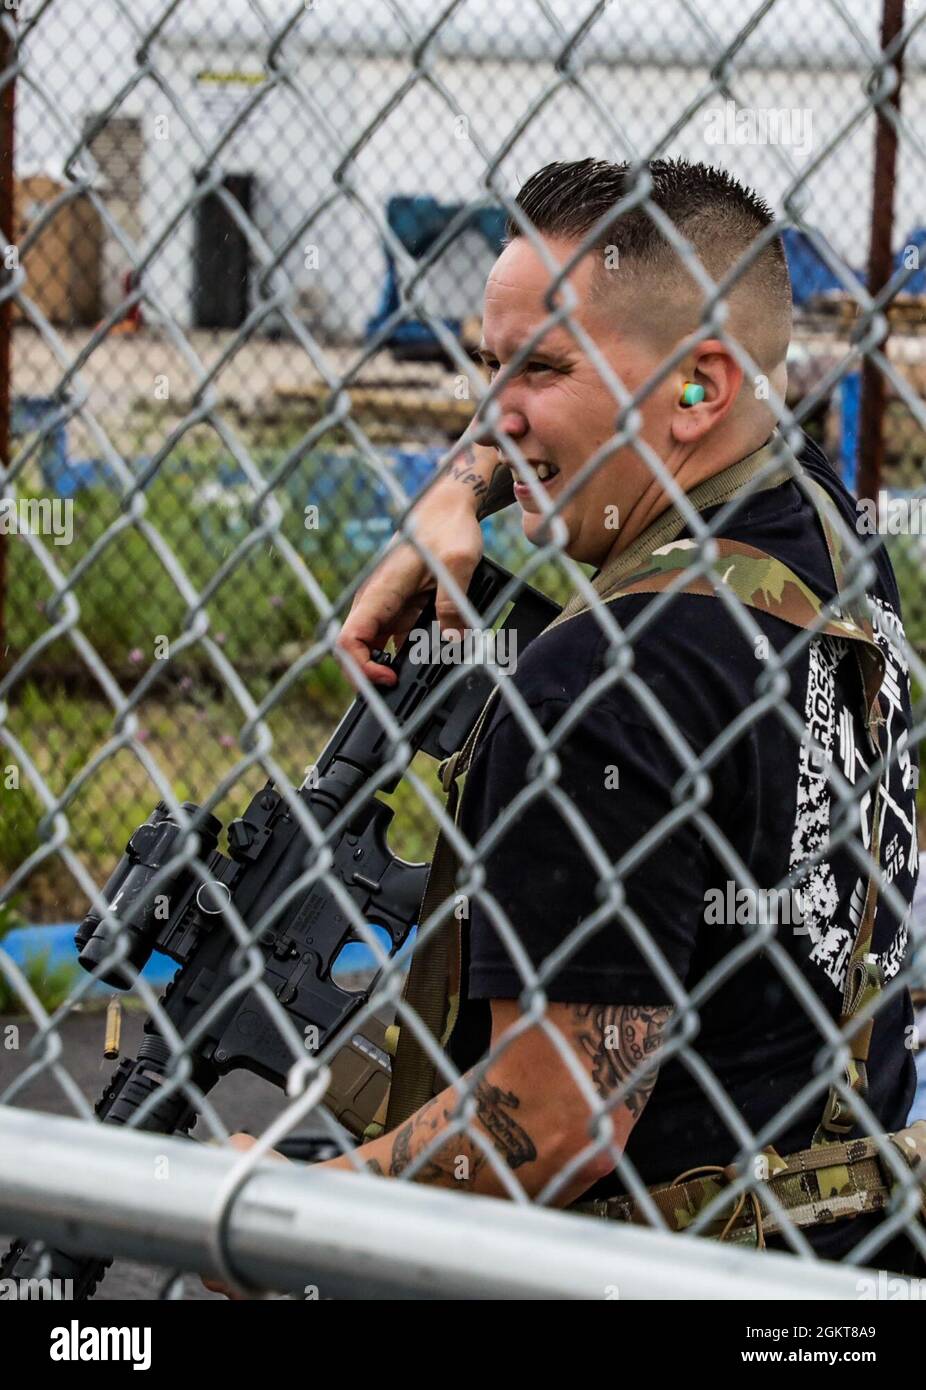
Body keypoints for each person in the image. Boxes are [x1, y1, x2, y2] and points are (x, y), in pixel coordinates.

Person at [217, 159, 922, 1289]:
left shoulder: (595, 682)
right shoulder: (828, 540)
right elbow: (527, 427)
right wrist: (457, 494)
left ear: (698, 388)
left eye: (540, 366)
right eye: (485, 361)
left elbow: (551, 1121)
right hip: (844, 1261)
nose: (495, 406)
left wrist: (276, 1210)